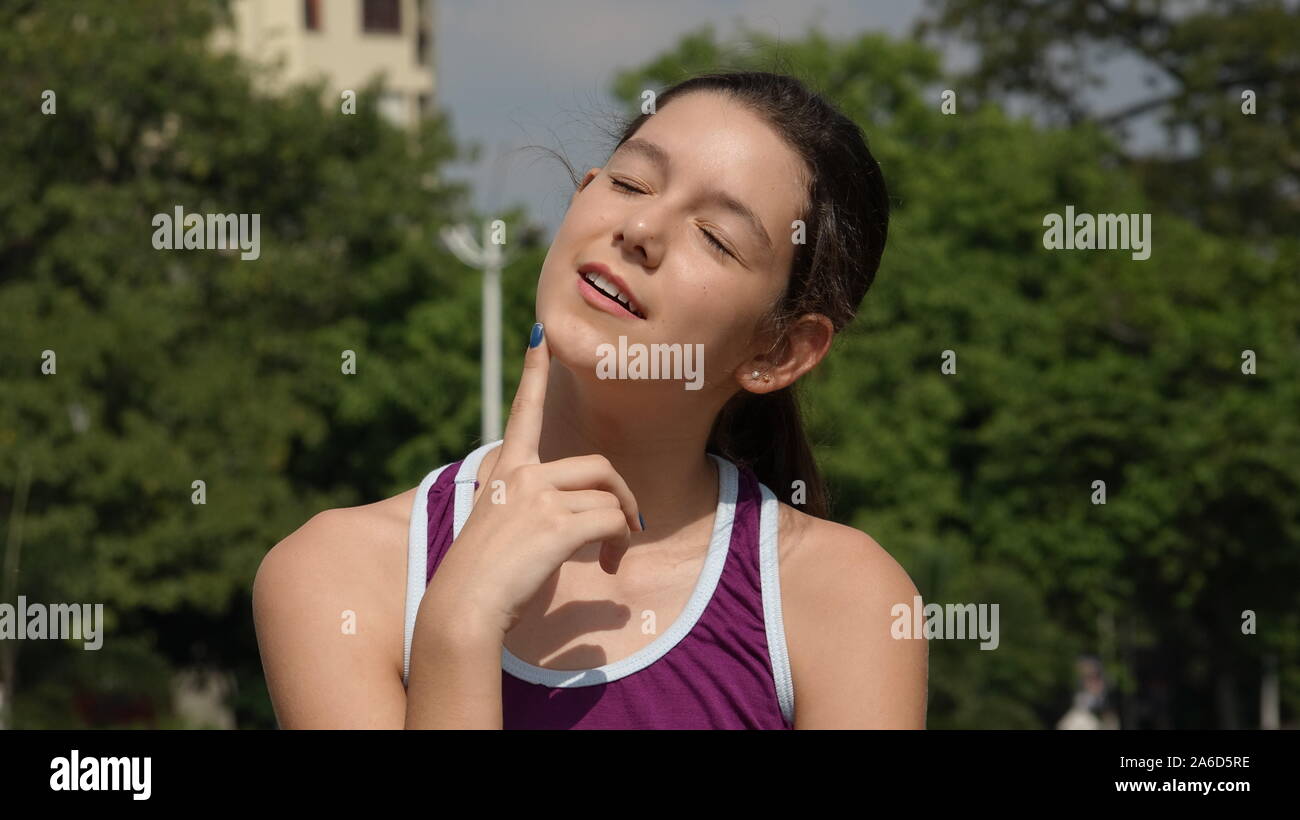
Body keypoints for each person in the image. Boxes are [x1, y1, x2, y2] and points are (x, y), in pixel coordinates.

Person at [252, 70, 928, 729]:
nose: (641, 229)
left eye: (716, 237)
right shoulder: (336, 574)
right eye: (631, 182)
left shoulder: (848, 599)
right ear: (581, 196)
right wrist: (459, 623)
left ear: (780, 352)